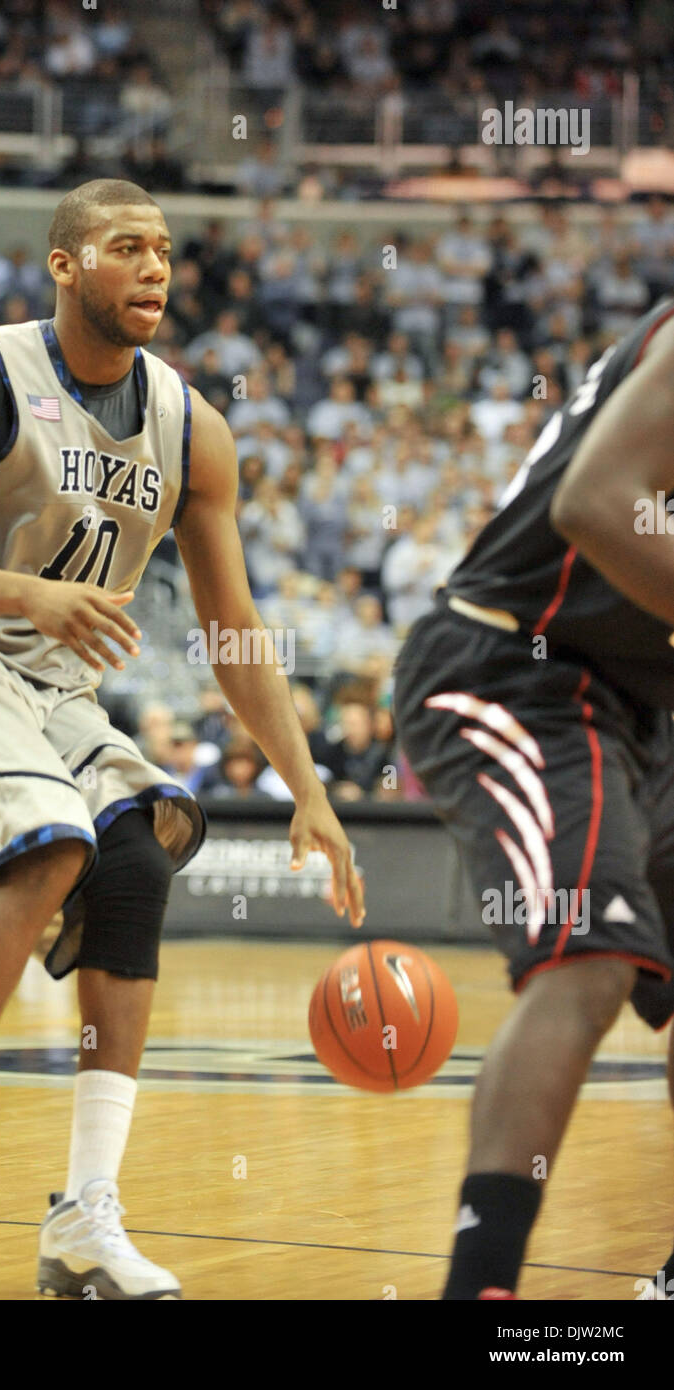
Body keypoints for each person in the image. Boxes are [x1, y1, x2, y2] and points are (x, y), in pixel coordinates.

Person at [0, 178, 365, 1300]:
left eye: (167, 251)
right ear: (66, 265)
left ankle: (85, 1218)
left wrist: (308, 790)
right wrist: (21, 597)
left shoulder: (191, 426)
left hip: (49, 681)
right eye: (127, 247)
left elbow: (235, 633)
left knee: (131, 855)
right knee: (48, 833)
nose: (156, 269)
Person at [393, 296, 674, 1300]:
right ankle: (482, 1291)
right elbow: (594, 502)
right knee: (589, 959)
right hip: (517, 669)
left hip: (640, 701)